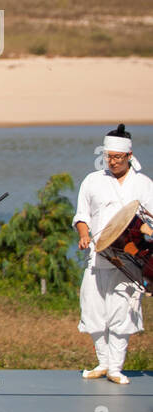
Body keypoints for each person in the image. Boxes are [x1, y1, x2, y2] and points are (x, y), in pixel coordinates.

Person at [74, 124, 153, 385]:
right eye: (108, 156)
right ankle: (103, 363)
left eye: (118, 157)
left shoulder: (143, 184)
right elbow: (82, 216)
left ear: (129, 155)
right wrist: (84, 234)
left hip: (129, 258)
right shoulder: (92, 180)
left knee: (121, 313)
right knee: (93, 310)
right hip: (98, 257)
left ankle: (116, 368)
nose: (112, 161)